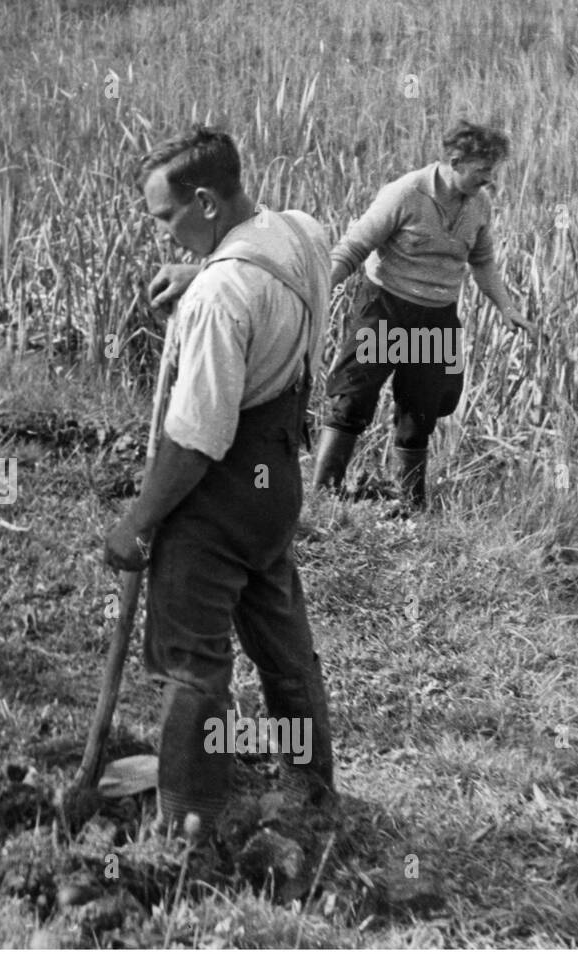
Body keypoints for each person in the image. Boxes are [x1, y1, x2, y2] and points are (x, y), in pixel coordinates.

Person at [105, 127, 335, 836]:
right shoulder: (300, 234)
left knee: (190, 664)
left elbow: (194, 441)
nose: (165, 233)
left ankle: (187, 824)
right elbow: (257, 270)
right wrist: (202, 273)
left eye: (167, 217)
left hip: (218, 495)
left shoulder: (218, 299)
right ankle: (313, 791)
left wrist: (138, 522)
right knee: (282, 644)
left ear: (204, 200)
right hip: (274, 489)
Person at [313, 120, 535, 507]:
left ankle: (411, 504)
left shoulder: (479, 205)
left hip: (436, 316)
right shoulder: (405, 193)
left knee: (422, 409)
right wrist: (314, 290)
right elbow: (352, 249)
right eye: (482, 168)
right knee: (354, 398)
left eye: (492, 169)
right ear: (455, 161)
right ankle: (325, 494)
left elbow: (482, 262)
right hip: (386, 308)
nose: (489, 177)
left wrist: (506, 307)